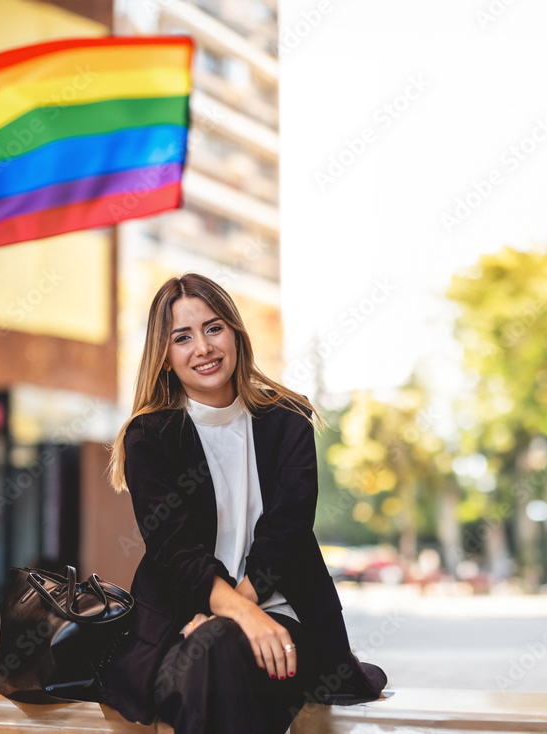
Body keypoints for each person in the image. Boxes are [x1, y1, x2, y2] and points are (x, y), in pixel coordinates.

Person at [103, 273, 387, 733]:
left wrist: (240, 613)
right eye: (182, 337)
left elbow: (286, 534)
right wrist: (233, 617)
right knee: (214, 656)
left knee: (218, 653)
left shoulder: (288, 420)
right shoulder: (150, 437)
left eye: (213, 328)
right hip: (183, 627)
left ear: (235, 333)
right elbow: (175, 552)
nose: (203, 347)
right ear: (165, 357)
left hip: (285, 623)